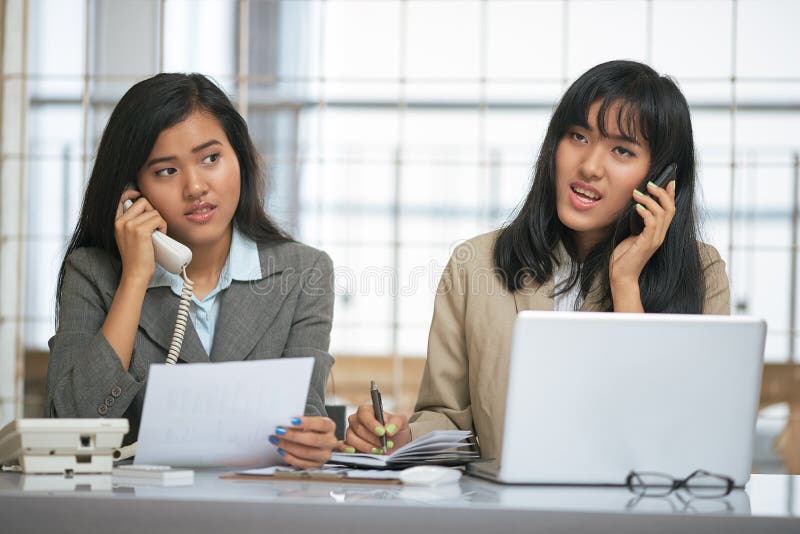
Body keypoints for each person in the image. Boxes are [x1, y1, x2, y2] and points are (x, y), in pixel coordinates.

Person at [343, 60, 731, 461]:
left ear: (661, 178)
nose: (590, 167)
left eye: (621, 150)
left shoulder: (702, 274)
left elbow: (677, 435)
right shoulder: (475, 264)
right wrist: (404, 439)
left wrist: (626, 284)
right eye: (578, 136)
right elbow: (449, 418)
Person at [46, 73, 338, 468]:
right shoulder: (93, 274)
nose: (196, 186)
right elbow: (70, 430)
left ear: (240, 157)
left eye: (211, 158)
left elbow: (306, 410)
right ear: (132, 192)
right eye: (167, 170)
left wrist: (311, 439)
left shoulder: (305, 273)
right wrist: (135, 279)